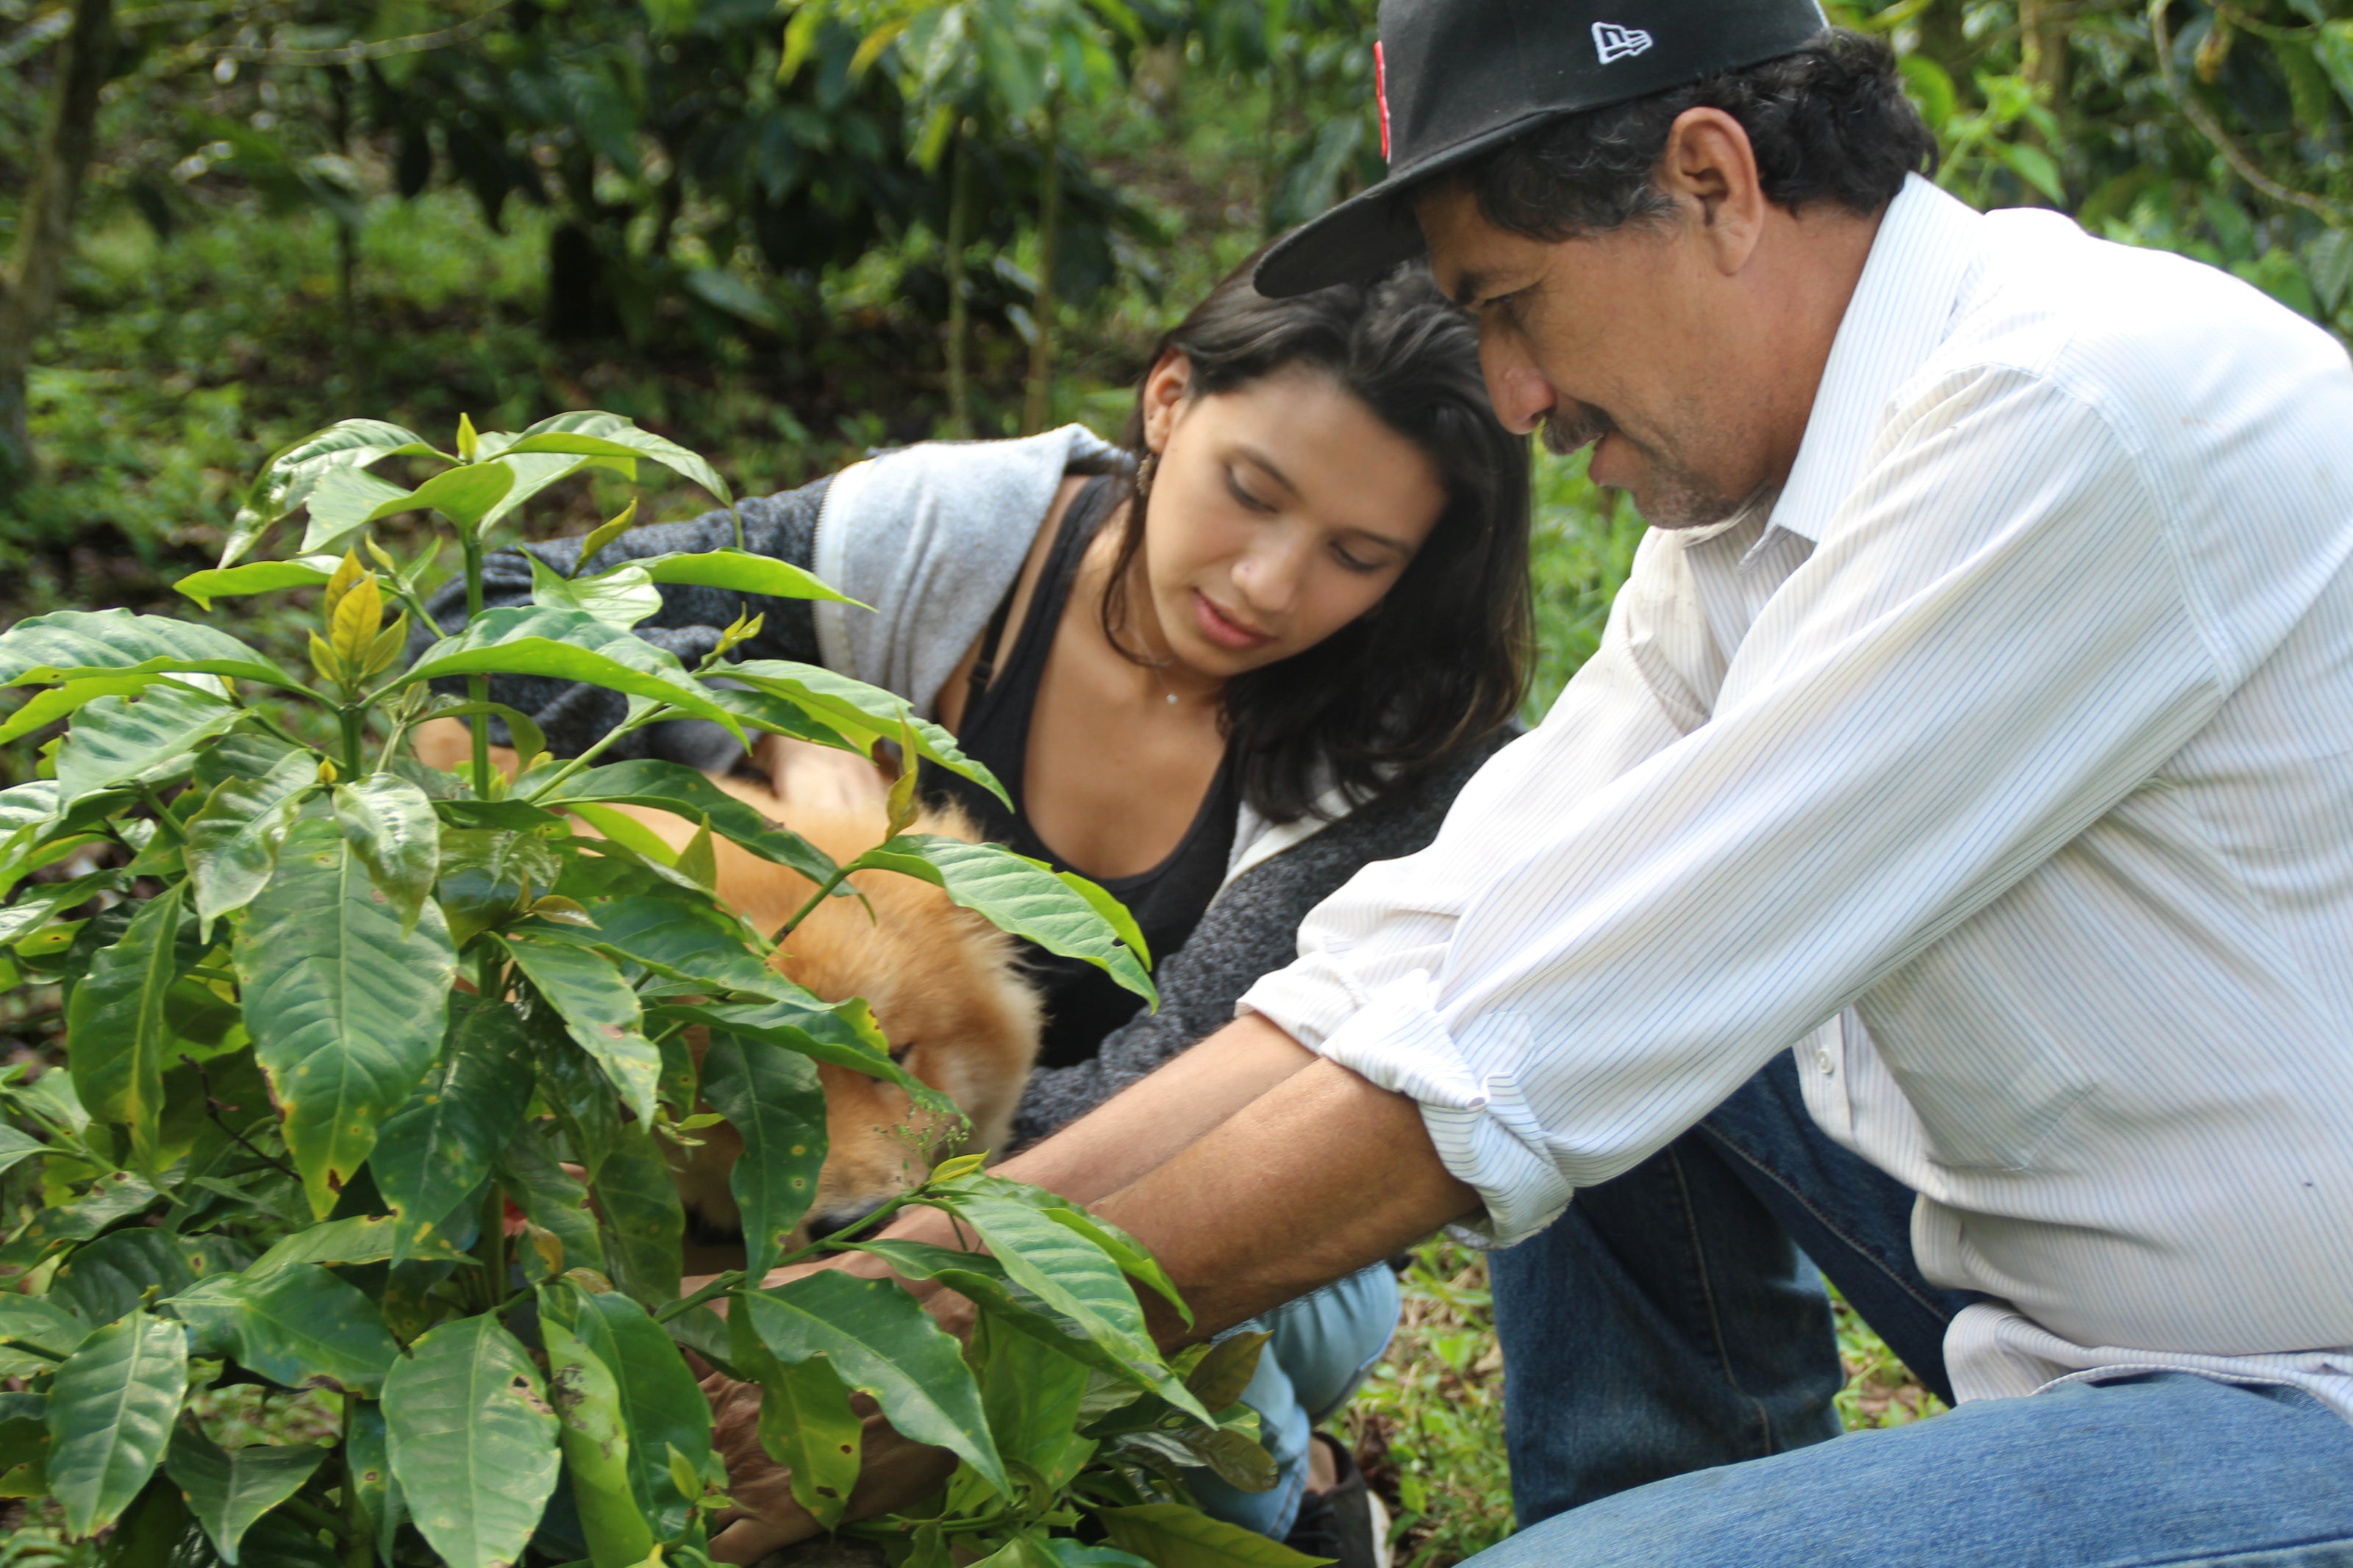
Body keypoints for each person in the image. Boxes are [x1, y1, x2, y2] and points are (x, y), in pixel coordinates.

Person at [696, 1, 2353, 1564]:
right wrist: (930, 1267)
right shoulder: (1749, 518)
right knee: (1563, 945)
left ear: (1711, 180)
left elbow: (1534, 1039)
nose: (1511, 398)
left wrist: (959, 1352)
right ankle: (1660, 1481)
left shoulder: (2068, 416)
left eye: (1509, 306)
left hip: (2292, 1373)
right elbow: (1434, 944)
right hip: (2070, 1282)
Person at [426, 257, 1543, 1554]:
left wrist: (829, 1277)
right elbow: (479, 621)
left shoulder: (1408, 753)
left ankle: (1285, 1491)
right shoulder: (952, 541)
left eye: (1357, 556)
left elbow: (1160, 1097)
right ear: (1169, 399)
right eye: (1251, 494)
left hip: (1207, 1203)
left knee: (1162, 1341)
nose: (1265, 586)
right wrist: (737, 737)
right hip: (806, 1172)